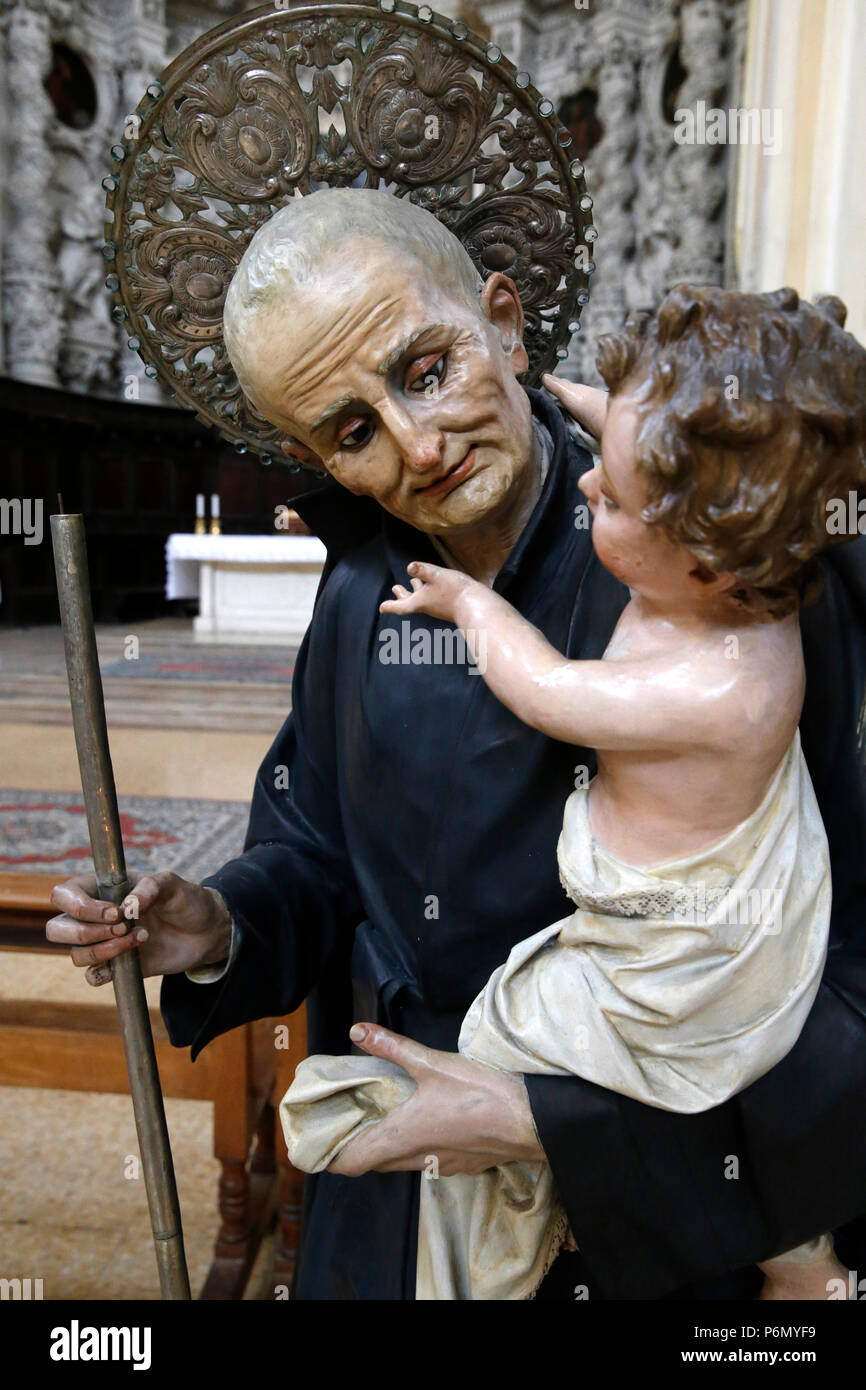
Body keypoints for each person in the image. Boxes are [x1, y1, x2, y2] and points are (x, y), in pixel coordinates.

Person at [46, 189, 866, 1300]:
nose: (416, 447)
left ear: (504, 320)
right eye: (350, 433)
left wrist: (546, 1120)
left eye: (425, 370)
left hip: (659, 1178)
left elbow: (845, 947)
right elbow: (320, 851)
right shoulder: (357, 588)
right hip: (407, 1173)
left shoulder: (720, 561)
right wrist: (220, 922)